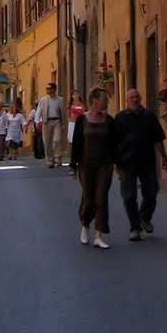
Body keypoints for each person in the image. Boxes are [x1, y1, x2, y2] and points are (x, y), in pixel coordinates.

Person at [114, 87, 167, 240]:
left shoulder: (149, 116)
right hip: (127, 162)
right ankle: (135, 228)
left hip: (147, 161)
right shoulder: (120, 118)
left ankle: (145, 216)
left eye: (137, 97)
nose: (135, 100)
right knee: (129, 196)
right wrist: (116, 164)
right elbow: (114, 142)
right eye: (131, 97)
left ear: (141, 98)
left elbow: (158, 138)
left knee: (152, 191)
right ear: (126, 100)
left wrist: (164, 157)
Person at [69, 87, 119, 248]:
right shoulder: (82, 120)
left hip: (105, 164)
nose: (107, 101)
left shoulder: (109, 121)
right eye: (105, 99)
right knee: (88, 197)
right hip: (86, 165)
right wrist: (73, 166)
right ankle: (85, 225)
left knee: (101, 197)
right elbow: (77, 144)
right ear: (95, 100)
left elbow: (114, 144)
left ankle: (99, 235)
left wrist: (118, 164)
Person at [36, 81, 67, 168]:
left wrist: (63, 123)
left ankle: (58, 159)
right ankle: (50, 161)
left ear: (54, 89)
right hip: (46, 121)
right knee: (46, 142)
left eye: (49, 88)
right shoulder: (43, 100)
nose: (47, 90)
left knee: (57, 139)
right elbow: (39, 111)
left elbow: (63, 112)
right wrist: (37, 121)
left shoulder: (60, 100)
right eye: (46, 88)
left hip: (57, 121)